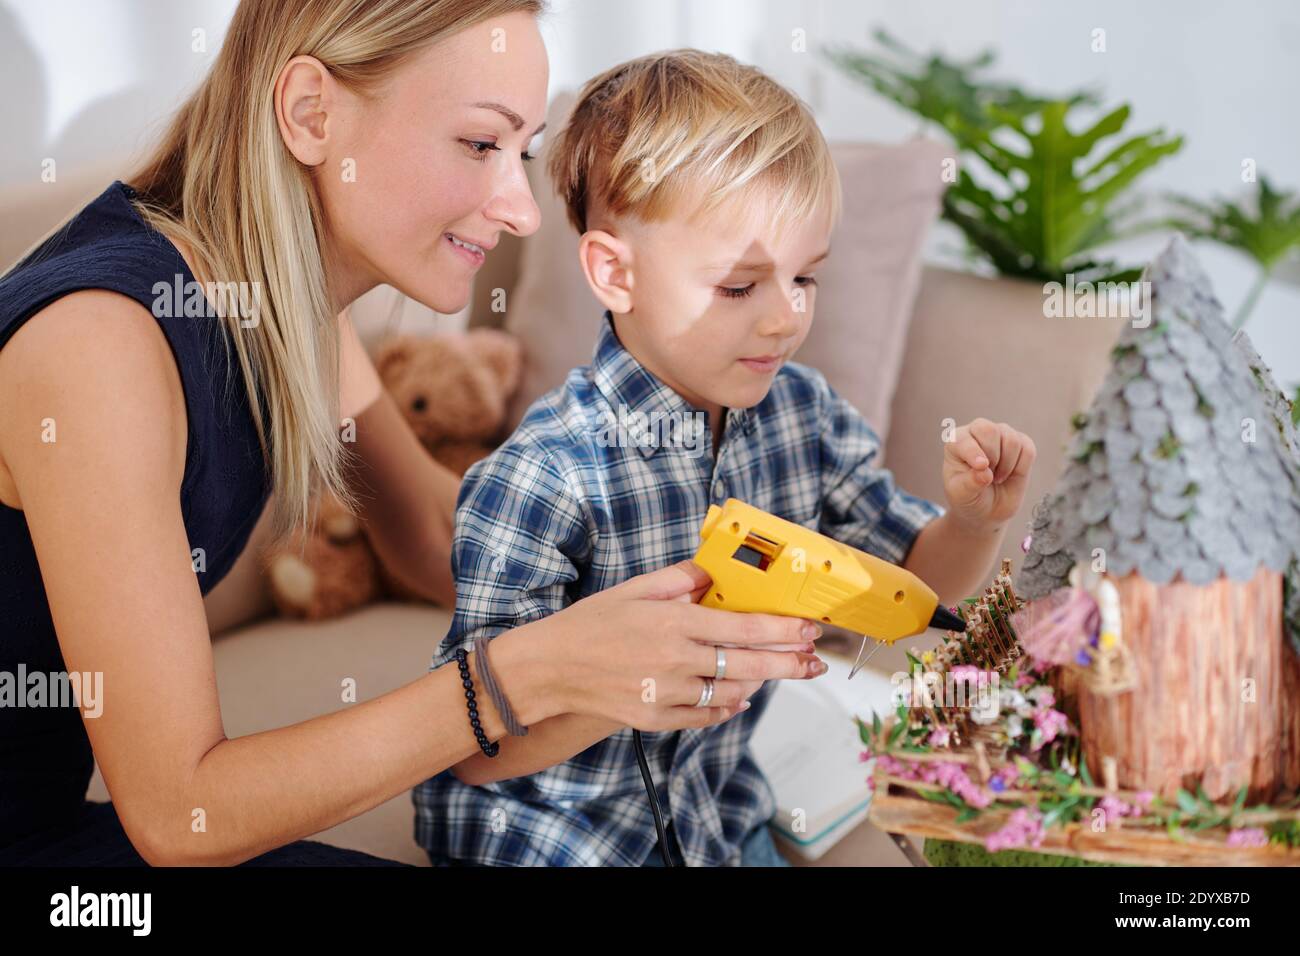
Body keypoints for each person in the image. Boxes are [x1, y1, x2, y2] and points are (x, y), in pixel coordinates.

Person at [0, 1, 825, 867]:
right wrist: (528, 676)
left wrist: (674, 595)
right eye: (479, 144)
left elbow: (437, 538)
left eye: (526, 153)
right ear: (311, 113)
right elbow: (181, 813)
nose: (522, 210)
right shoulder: (101, 340)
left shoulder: (281, 294)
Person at [415, 50, 1038, 867]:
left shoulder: (803, 418)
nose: (785, 319)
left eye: (806, 279)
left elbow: (918, 586)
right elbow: (473, 747)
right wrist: (642, 685)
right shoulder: (542, 479)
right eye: (741, 287)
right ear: (614, 271)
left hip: (714, 821)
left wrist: (973, 519)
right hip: (546, 840)